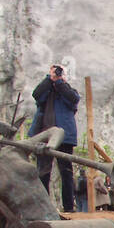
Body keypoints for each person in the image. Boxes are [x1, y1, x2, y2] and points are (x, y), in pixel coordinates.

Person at [29, 63, 82, 213]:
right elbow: (36, 94)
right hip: (44, 135)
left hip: (64, 137)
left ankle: (69, 207)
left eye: (60, 72)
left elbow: (73, 99)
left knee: (66, 171)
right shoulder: (46, 90)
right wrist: (49, 78)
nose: (57, 75)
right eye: (55, 72)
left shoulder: (68, 90)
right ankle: (43, 206)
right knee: (43, 172)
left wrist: (59, 81)